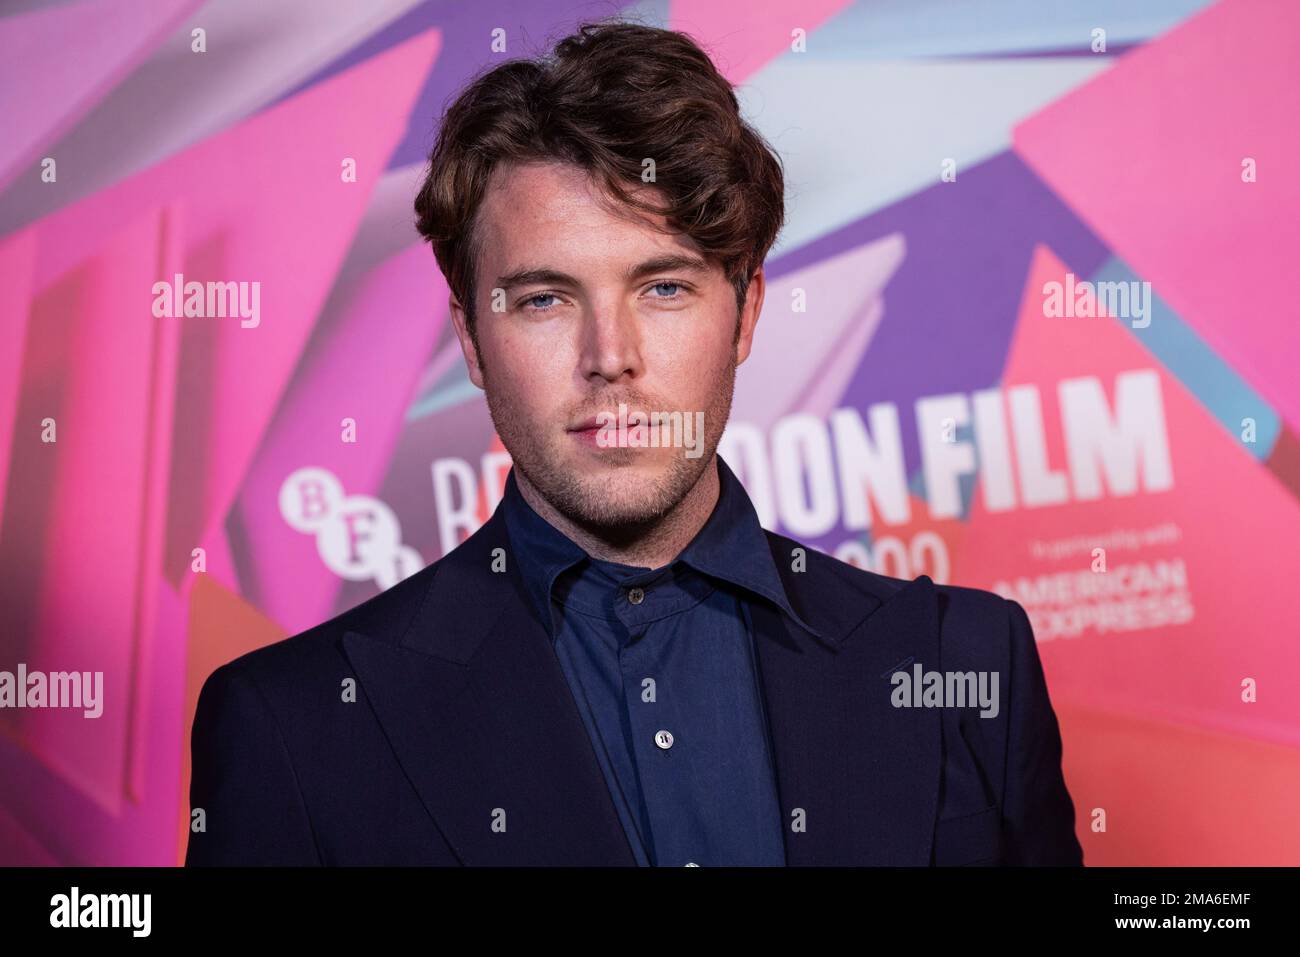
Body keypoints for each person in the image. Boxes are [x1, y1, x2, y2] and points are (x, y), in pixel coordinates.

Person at [186, 18, 1083, 866]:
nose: (608, 358)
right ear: (470, 339)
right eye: (544, 299)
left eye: (662, 288)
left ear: (746, 313)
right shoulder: (292, 728)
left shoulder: (964, 663)